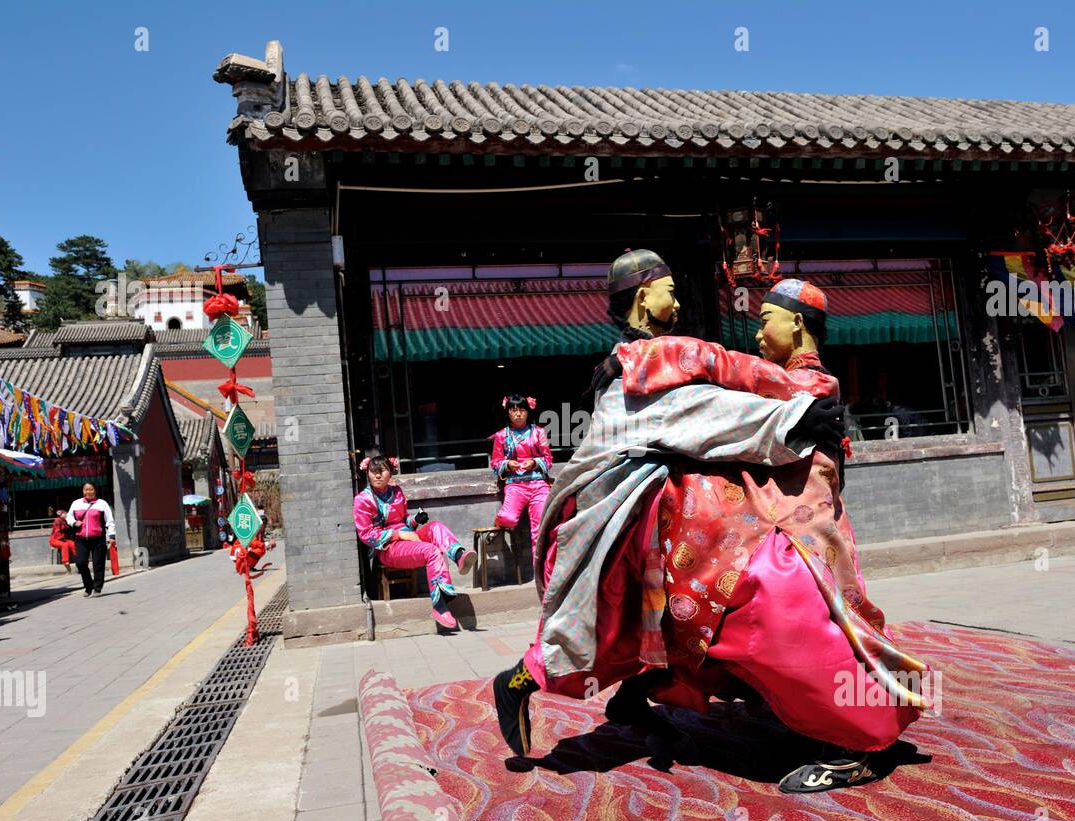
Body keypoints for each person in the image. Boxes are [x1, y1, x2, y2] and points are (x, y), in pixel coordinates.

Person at [494, 278, 928, 793]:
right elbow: (717, 401)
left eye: (766, 317)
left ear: (798, 323)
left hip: (766, 529)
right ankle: (842, 730)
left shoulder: (798, 382)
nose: (758, 328)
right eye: (668, 290)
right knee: (714, 609)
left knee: (732, 619)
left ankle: (847, 733)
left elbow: (727, 385)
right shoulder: (643, 377)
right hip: (685, 521)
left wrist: (652, 357)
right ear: (640, 297)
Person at [352, 452, 477, 630]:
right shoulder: (363, 500)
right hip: (388, 548)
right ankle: (440, 606)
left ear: (391, 473)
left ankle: (459, 556)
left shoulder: (396, 492)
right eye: (373, 471)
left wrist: (416, 520)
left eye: (382, 471)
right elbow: (366, 535)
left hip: (407, 539)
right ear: (368, 474)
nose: (378, 475)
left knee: (436, 527)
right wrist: (398, 535)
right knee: (432, 551)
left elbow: (404, 522)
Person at [490, 394, 553, 555]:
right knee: (508, 518)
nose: (518, 414)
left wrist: (534, 462)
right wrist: (508, 464)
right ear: (508, 412)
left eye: (522, 410)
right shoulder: (501, 436)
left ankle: (541, 570)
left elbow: (548, 460)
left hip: (538, 485)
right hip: (515, 484)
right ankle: (498, 522)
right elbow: (496, 463)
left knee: (540, 528)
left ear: (528, 411)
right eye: (514, 410)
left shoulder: (539, 432)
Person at [64, 483, 116, 597]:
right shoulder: (76, 503)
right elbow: (69, 517)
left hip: (98, 539)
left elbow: (110, 520)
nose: (88, 492)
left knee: (98, 564)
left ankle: (97, 588)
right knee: (80, 563)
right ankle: (88, 586)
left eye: (91, 489)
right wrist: (74, 522)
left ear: (95, 491)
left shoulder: (102, 504)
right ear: (83, 491)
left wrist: (111, 536)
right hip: (81, 538)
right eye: (86, 490)